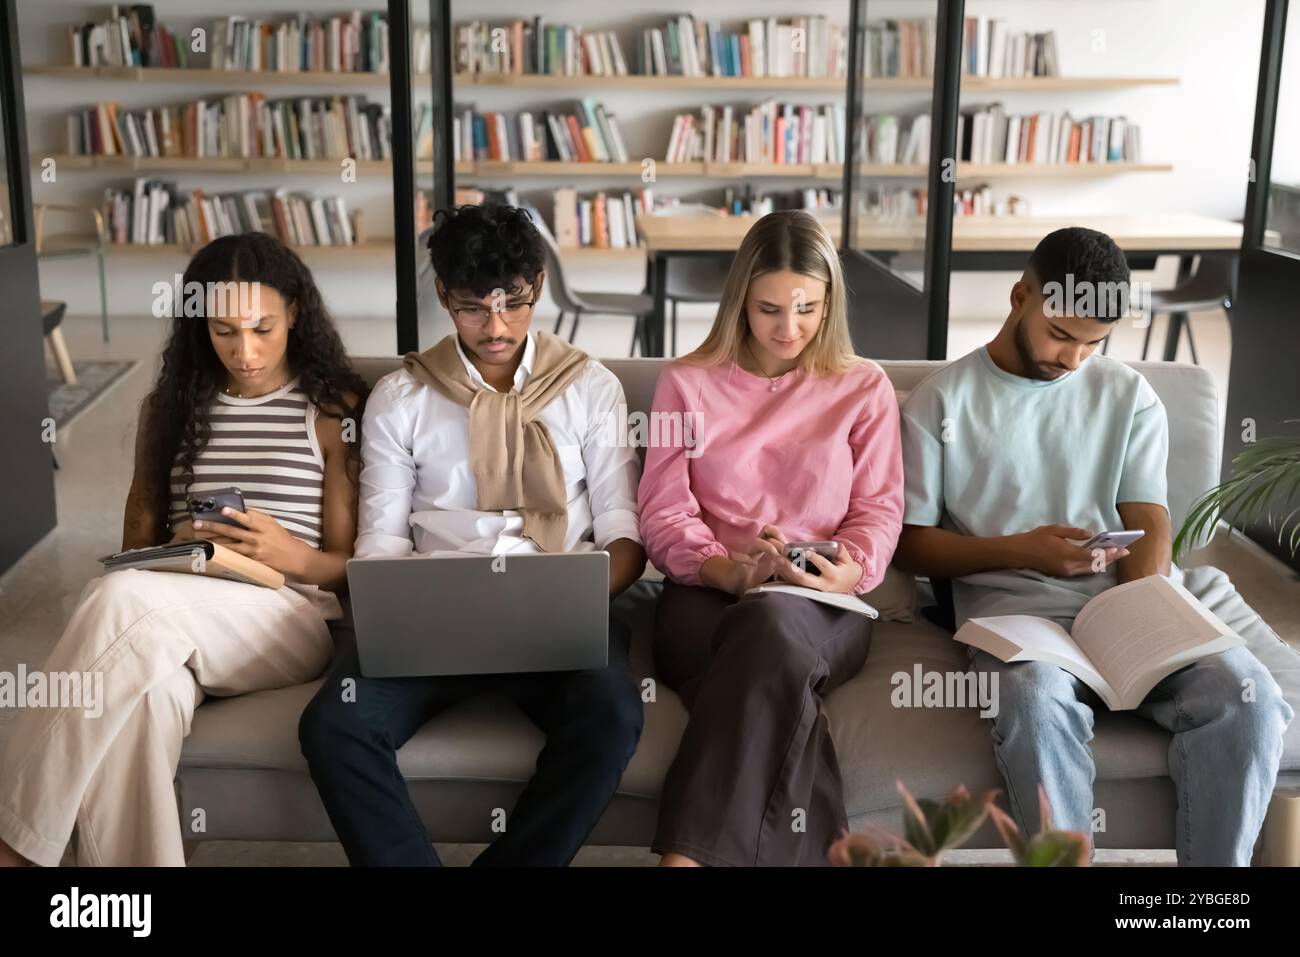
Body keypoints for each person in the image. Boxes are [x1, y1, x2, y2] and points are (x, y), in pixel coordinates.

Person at [893, 226, 1293, 866]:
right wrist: (1024, 551)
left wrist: (1147, 604)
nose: (1073, 359)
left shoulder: (1129, 396)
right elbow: (911, 547)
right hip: (1016, 619)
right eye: (1060, 335)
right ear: (1021, 296)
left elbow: (1149, 519)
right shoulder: (941, 403)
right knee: (1032, 700)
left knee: (1248, 696)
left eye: (1093, 343)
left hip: (1124, 608)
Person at [0, 232, 367, 866]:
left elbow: (351, 571)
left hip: (290, 615)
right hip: (178, 605)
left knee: (119, 602)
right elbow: (132, 549)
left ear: (295, 315)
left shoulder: (332, 411)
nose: (244, 351)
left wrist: (284, 550)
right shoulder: (170, 409)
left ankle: (15, 846)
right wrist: (174, 547)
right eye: (224, 331)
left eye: (261, 328)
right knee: (143, 706)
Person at [298, 203, 646, 866]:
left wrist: (579, 593)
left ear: (538, 285)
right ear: (441, 295)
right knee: (333, 723)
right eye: (471, 307)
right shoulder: (402, 396)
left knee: (615, 715)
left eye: (513, 304)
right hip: (432, 623)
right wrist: (399, 603)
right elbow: (381, 542)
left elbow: (622, 533)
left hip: (557, 619)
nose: (496, 327)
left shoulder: (591, 388)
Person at [637, 209, 905, 866]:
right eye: (768, 309)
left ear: (830, 302)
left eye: (807, 308)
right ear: (739, 302)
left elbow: (877, 507)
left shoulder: (863, 387)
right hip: (706, 594)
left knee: (775, 629)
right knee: (770, 653)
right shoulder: (686, 382)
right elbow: (663, 511)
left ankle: (686, 859)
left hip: (822, 597)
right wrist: (726, 569)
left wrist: (853, 568)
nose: (789, 329)